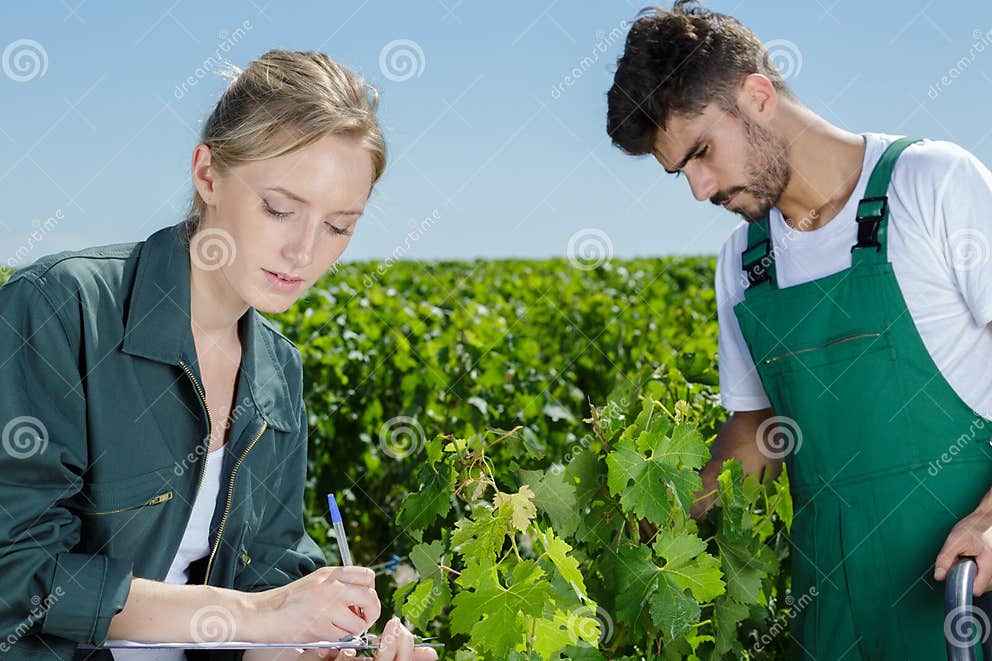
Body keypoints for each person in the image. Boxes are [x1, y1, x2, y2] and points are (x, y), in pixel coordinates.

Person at [0, 49, 436, 661]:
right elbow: (16, 575)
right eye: (279, 208)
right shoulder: (60, 307)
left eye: (339, 226)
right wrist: (258, 614)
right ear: (207, 174)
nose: (304, 251)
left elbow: (266, 584)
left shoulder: (279, 370)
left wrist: (317, 647)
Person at [606, 2, 992, 658]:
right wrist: (653, 522)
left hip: (964, 598)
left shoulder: (932, 184)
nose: (700, 189)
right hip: (834, 616)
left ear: (757, 96)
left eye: (702, 153)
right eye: (681, 173)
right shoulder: (746, 265)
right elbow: (757, 435)